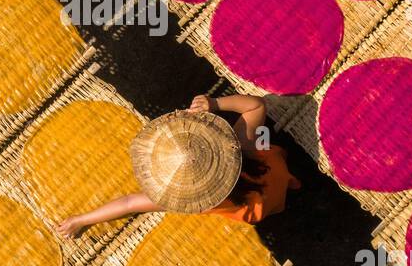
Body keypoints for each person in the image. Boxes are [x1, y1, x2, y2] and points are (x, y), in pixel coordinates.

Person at [53, 93, 301, 239]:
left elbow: (130, 202)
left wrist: (82, 220)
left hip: (257, 209)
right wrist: (214, 104)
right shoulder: (242, 144)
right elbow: (256, 105)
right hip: (274, 172)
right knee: (266, 146)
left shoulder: (193, 200)